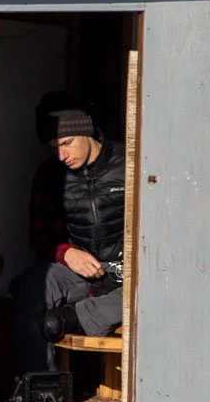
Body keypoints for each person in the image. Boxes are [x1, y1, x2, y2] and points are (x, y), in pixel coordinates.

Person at [8, 94, 126, 374]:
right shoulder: (50, 175)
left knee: (152, 293)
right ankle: (39, 393)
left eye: (66, 143)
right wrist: (67, 253)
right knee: (30, 286)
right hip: (79, 274)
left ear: (86, 131)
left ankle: (71, 317)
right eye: (54, 147)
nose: (62, 155)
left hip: (129, 279)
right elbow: (38, 236)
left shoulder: (130, 165)